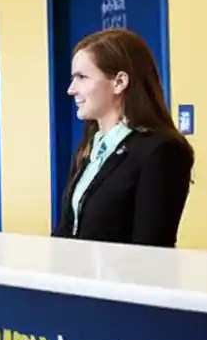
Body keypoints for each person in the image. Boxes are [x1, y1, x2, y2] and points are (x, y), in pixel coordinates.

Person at [53, 28, 195, 247]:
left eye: (81, 77)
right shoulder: (89, 147)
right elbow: (67, 228)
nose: (71, 90)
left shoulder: (162, 150)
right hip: (77, 279)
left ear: (119, 82)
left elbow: (151, 247)